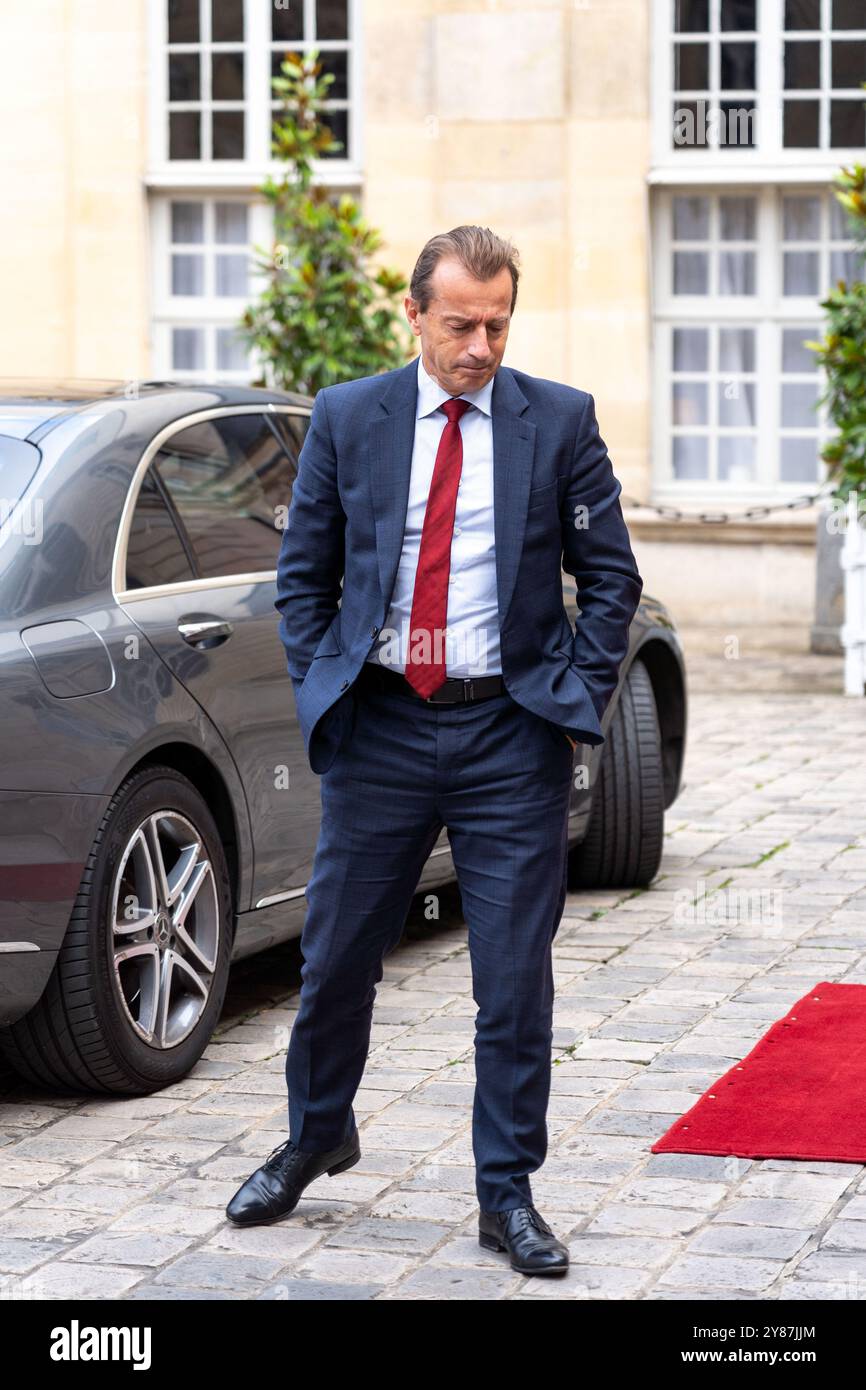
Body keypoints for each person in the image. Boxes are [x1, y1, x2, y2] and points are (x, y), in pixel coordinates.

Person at [226, 225, 644, 1277]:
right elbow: (303, 572)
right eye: (459, 322)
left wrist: (573, 699)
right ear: (413, 314)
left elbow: (610, 577)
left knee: (511, 981)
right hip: (382, 725)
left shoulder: (558, 422)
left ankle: (505, 1193)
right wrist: (325, 677)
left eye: (497, 322)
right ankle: (315, 1131)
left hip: (509, 730)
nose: (480, 344)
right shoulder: (346, 417)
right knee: (332, 961)